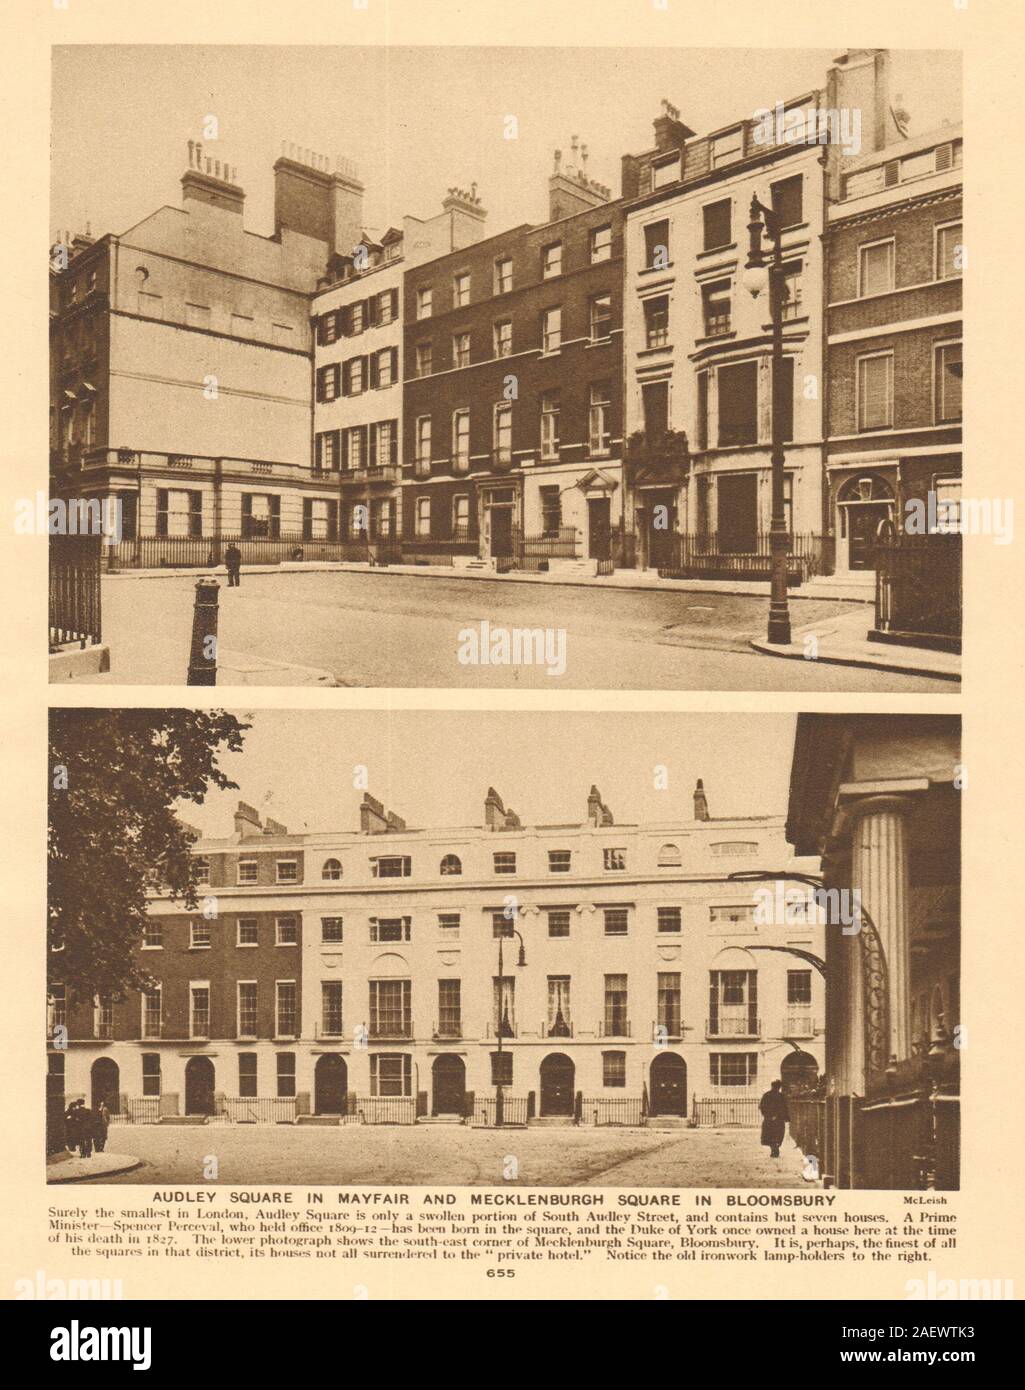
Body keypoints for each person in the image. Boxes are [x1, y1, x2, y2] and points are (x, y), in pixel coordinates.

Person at [759, 1079, 789, 1159]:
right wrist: (784, 1117)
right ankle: (775, 1147)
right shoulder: (781, 1096)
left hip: (770, 1119)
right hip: (779, 1119)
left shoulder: (766, 1095)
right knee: (778, 1135)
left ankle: (774, 1148)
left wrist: (768, 1115)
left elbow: (762, 1107)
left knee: (770, 1135)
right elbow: (785, 1108)